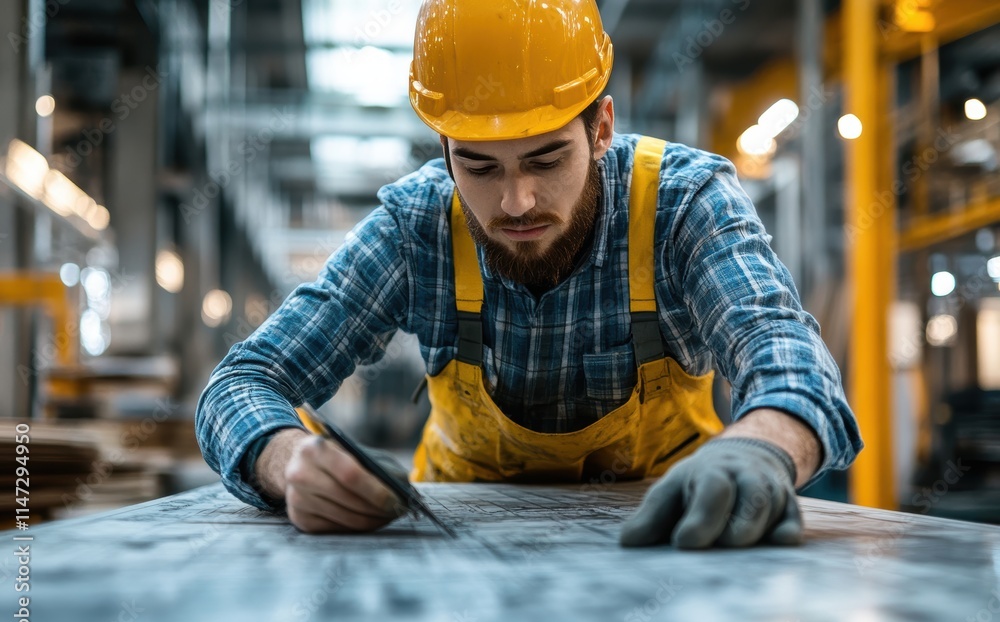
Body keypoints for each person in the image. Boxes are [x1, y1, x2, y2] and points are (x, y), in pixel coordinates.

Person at [195, 0, 862, 549]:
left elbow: (788, 356)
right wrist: (287, 459)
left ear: (601, 128)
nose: (516, 203)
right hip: (453, 557)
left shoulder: (682, 204)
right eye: (480, 166)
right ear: (445, 151)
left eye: (546, 160)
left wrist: (766, 444)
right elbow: (242, 381)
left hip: (672, 541)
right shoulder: (415, 228)